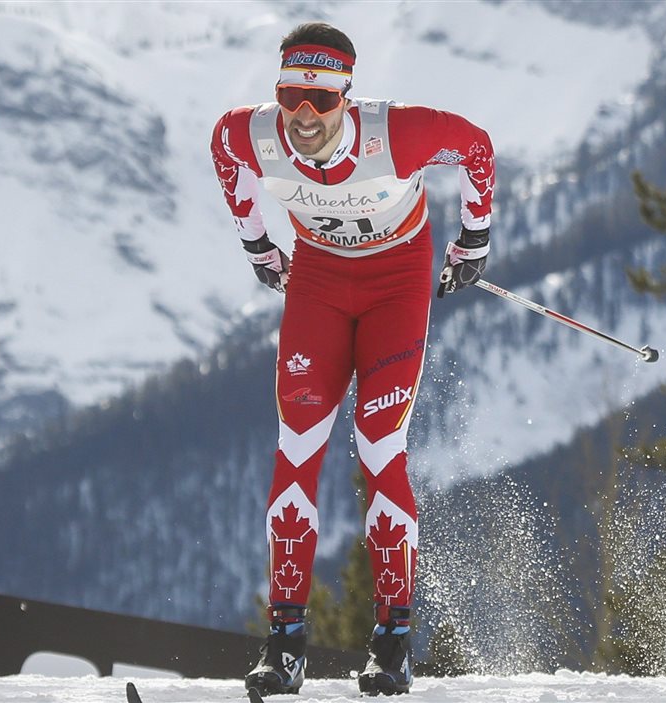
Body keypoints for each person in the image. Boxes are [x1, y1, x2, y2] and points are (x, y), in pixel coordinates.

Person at [209, 21, 495, 697]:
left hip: (396, 286)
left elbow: (477, 148)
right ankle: (284, 645)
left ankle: (392, 642)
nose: (303, 118)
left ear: (346, 98)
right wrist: (257, 245)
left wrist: (473, 239)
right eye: (290, 99)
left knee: (377, 446)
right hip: (318, 285)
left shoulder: (397, 134)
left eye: (321, 103)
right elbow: (225, 157)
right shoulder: (248, 134)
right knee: (296, 445)